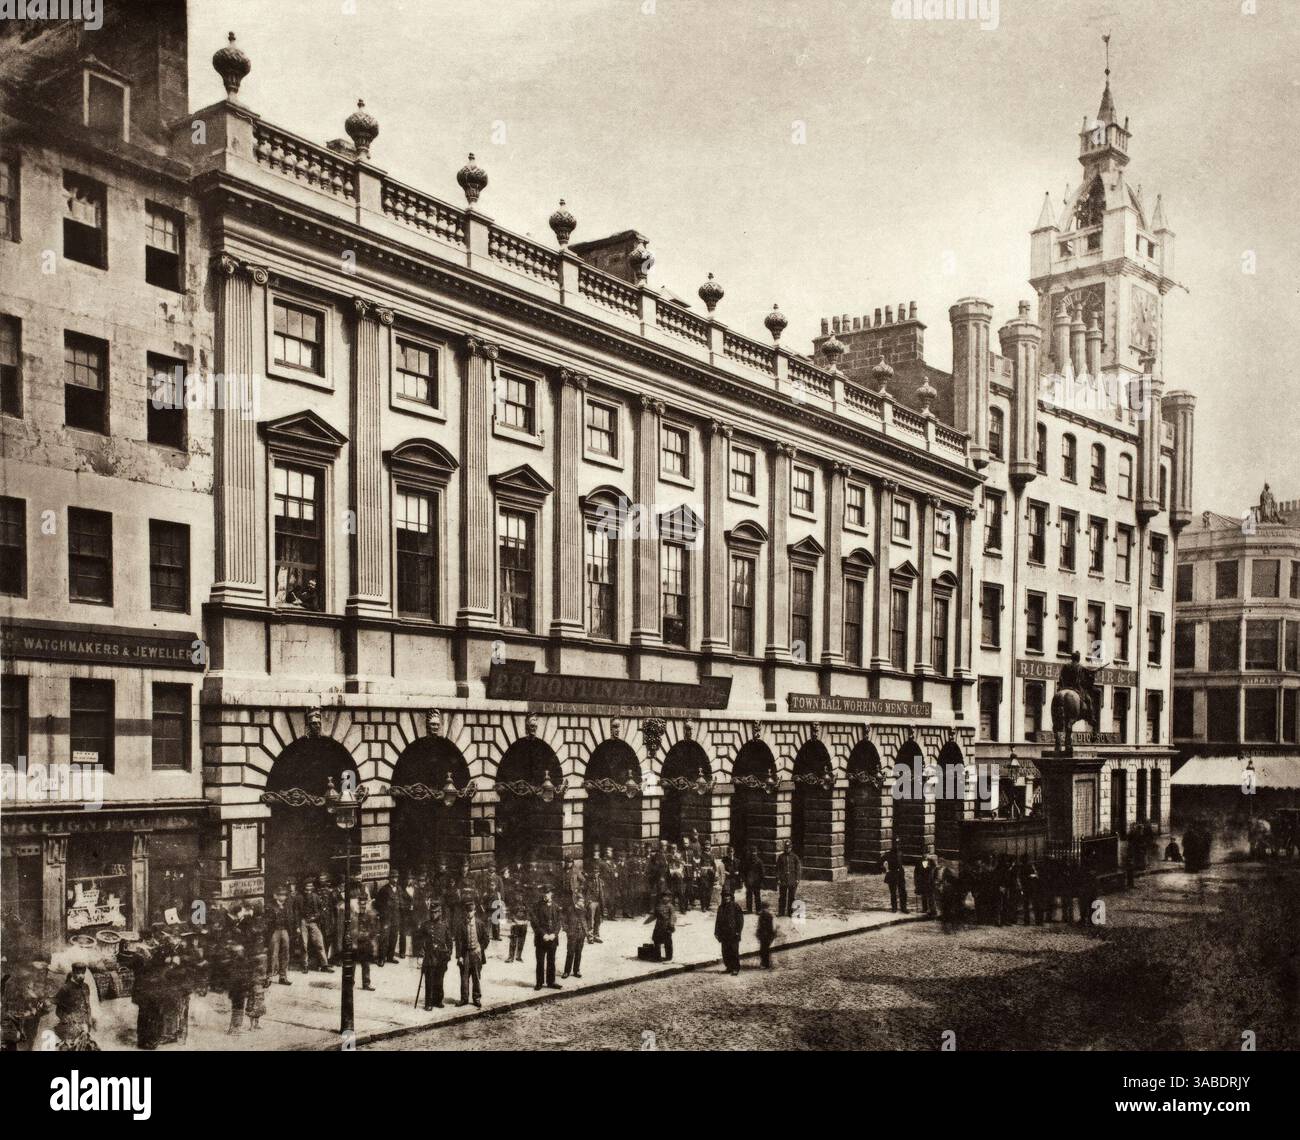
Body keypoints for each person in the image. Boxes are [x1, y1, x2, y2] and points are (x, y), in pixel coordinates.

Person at [455, 891, 490, 1008]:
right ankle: (464, 999)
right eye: (467, 911)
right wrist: (459, 956)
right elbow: (458, 941)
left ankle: (476, 998)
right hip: (465, 954)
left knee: (476, 977)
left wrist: (481, 947)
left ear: (475, 911)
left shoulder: (480, 924)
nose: (469, 913)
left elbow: (486, 938)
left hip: (476, 953)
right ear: (465, 912)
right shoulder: (460, 925)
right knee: (464, 977)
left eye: (471, 911)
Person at [418, 899, 454, 1010]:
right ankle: (428, 1003)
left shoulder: (444, 925)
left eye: (435, 912)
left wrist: (448, 954)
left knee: (439, 980)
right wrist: (421, 951)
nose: (433, 914)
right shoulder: (425, 925)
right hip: (429, 956)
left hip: (441, 957)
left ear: (440, 912)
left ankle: (438, 1000)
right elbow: (419, 940)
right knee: (429, 980)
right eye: (432, 912)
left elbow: (449, 941)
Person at [54, 962, 98, 1051]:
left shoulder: (86, 987)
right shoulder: (65, 988)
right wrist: (69, 1021)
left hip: (84, 1025)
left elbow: (87, 1005)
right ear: (73, 973)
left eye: (82, 973)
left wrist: (90, 1019)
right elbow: (58, 1011)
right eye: (78, 973)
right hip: (70, 1028)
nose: (81, 976)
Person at [531, 884, 563, 991]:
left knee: (551, 961)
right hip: (541, 938)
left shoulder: (556, 906)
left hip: (553, 939)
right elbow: (535, 923)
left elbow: (559, 922)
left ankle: (551, 982)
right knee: (540, 961)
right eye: (544, 893)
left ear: (551, 894)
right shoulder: (537, 907)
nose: (546, 895)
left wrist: (555, 934)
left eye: (548, 893)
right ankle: (539, 982)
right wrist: (543, 934)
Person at [299, 880, 333, 972]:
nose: (309, 888)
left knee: (319, 942)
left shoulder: (316, 897)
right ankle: (305, 965)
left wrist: (315, 916)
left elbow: (321, 910)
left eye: (310, 886)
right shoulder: (300, 897)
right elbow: (296, 912)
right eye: (307, 886)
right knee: (304, 944)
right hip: (303, 921)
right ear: (304, 887)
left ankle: (324, 965)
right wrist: (297, 926)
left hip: (313, 922)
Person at [266, 886, 294, 986]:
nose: (283, 897)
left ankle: (283, 976)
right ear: (276, 896)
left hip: (285, 930)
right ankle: (268, 977)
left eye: (284, 895)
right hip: (275, 931)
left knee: (285, 953)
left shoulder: (287, 906)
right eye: (281, 895)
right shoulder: (270, 906)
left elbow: (291, 919)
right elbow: (268, 921)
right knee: (273, 954)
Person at [714, 889, 744, 975]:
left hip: (733, 933)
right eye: (724, 896)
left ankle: (735, 968)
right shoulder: (721, 907)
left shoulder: (735, 906)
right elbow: (718, 921)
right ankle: (729, 967)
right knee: (725, 951)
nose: (726, 898)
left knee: (733, 951)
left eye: (728, 896)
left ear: (731, 897)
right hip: (724, 934)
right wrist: (716, 932)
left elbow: (740, 920)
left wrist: (738, 931)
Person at [563, 893, 588, 979]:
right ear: (576, 901)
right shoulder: (570, 909)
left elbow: (587, 921)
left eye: (583, 901)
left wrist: (586, 931)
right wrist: (567, 931)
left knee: (579, 953)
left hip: (581, 934)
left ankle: (576, 970)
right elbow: (564, 921)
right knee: (570, 952)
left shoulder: (584, 910)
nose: (583, 902)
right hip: (572, 934)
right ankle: (566, 971)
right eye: (581, 901)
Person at [646, 891, 676, 962]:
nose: (665, 898)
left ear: (669, 898)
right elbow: (654, 916)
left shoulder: (670, 906)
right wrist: (647, 921)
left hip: (666, 926)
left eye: (667, 897)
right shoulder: (658, 906)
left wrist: (671, 924)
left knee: (668, 942)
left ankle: (668, 957)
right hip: (658, 926)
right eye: (664, 897)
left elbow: (673, 916)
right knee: (656, 941)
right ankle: (657, 956)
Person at [776, 840, 801, 918]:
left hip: (792, 879)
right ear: (784, 848)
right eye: (786, 848)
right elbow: (778, 869)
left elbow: (798, 869)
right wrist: (778, 879)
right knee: (782, 896)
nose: (787, 849)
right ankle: (781, 912)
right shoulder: (781, 857)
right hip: (783, 880)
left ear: (791, 848)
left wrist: (797, 879)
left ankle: (790, 912)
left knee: (791, 897)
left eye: (789, 848)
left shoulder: (795, 857)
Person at [883, 839, 908, 913]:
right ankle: (894, 908)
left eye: (898, 844)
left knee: (903, 891)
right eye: (895, 844)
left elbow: (902, 862)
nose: (897, 846)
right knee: (893, 892)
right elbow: (882, 863)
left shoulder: (900, 853)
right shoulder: (888, 854)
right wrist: (887, 869)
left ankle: (903, 908)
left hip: (900, 874)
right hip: (892, 874)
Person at [914, 849, 938, 917]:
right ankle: (925, 909)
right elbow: (916, 872)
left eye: (926, 854)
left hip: (930, 881)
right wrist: (916, 882)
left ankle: (933, 911)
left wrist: (935, 880)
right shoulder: (919, 862)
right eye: (924, 854)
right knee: (923, 895)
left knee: (931, 896)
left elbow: (935, 871)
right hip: (922, 881)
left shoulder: (932, 862)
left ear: (928, 854)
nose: (925, 855)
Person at [744, 848, 765, 915]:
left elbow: (762, 872)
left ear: (756, 853)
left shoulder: (759, 862)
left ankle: (758, 910)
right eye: (752, 853)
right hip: (749, 881)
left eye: (754, 853)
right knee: (749, 896)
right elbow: (744, 871)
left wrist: (761, 881)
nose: (753, 854)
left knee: (757, 896)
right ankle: (749, 909)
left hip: (757, 882)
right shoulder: (747, 861)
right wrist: (745, 880)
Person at [756, 899, 776, 968]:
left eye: (765, 908)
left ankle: (765, 963)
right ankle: (765, 963)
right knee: (764, 949)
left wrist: (771, 935)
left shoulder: (767, 916)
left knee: (764, 950)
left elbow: (771, 927)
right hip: (764, 935)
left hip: (766, 935)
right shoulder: (763, 915)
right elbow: (759, 926)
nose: (764, 910)